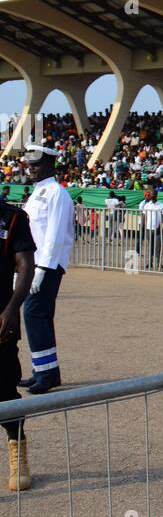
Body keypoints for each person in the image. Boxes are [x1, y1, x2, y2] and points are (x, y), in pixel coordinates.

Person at [20, 145, 75, 394]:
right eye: (29, 165)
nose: (31, 169)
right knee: (41, 316)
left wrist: (42, 269)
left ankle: (46, 374)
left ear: (51, 165)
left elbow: (54, 235)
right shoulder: (38, 192)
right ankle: (44, 371)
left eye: (37, 165)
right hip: (36, 263)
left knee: (34, 315)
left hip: (47, 265)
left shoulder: (57, 193)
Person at [0, 189, 36, 488]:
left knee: (4, 389)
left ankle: (17, 452)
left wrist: (13, 307)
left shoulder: (12, 218)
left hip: (0, 319)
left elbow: (25, 265)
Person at [138, 187, 163, 269]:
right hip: (148, 228)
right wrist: (143, 227)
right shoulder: (147, 205)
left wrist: (160, 225)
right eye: (151, 194)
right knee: (150, 246)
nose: (152, 196)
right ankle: (150, 262)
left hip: (158, 229)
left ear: (156, 195)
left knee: (158, 246)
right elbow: (144, 216)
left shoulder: (161, 205)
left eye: (153, 194)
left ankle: (158, 262)